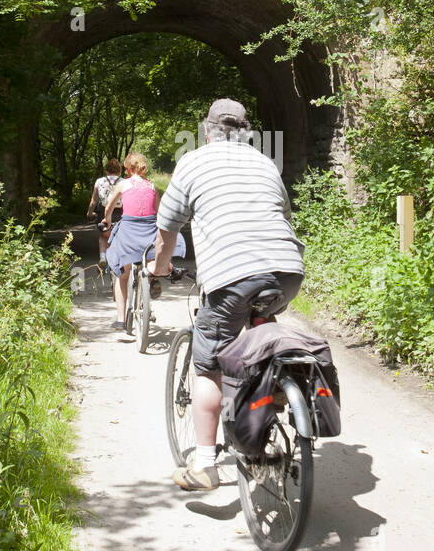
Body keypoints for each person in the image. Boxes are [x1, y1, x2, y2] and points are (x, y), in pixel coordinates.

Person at [147, 99, 305, 490]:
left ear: (206, 132)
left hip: (232, 276)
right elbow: (283, 217)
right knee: (259, 319)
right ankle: (272, 387)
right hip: (287, 270)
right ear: (247, 132)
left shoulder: (193, 162)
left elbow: (167, 228)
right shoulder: (265, 163)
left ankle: (204, 465)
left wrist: (160, 267)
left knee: (210, 365)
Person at [103, 152, 185, 331]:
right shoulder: (152, 186)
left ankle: (120, 319)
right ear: (143, 168)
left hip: (129, 232)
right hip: (148, 230)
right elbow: (160, 211)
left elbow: (109, 207)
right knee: (150, 259)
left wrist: (107, 221)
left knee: (122, 273)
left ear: (127, 168)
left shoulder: (123, 184)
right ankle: (155, 275)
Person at [86, 158, 123, 265]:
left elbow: (94, 201)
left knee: (104, 237)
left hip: (103, 213)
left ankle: (103, 257)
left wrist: (89, 213)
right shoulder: (124, 182)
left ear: (106, 171)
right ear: (119, 171)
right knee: (119, 237)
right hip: (119, 213)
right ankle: (119, 259)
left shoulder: (99, 181)